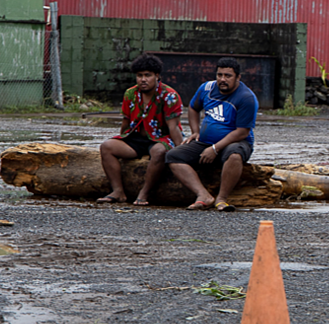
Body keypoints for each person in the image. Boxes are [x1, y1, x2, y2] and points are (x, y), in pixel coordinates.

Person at [165, 57, 258, 212]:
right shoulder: (207, 88)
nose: (222, 79)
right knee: (173, 155)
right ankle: (203, 195)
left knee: (234, 155)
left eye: (228, 76)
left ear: (238, 78)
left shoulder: (246, 98)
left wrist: (215, 148)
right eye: (219, 75)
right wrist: (195, 131)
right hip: (205, 141)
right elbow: (194, 108)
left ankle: (222, 199)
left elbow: (242, 131)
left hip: (236, 142)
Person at [97, 53, 183, 205]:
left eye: (147, 75)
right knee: (107, 147)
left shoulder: (170, 96)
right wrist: (121, 138)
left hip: (161, 138)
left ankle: (144, 193)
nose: (143, 80)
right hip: (136, 138)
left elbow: (173, 127)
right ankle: (118, 191)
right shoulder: (131, 93)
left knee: (158, 151)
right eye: (139, 75)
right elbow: (126, 121)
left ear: (157, 76)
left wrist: (181, 151)